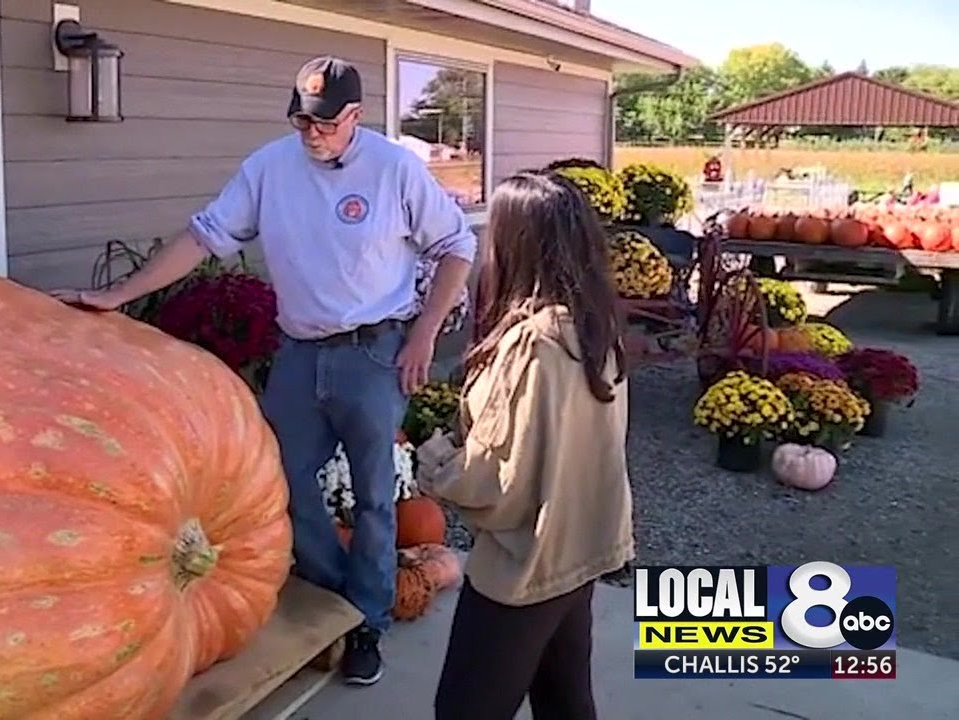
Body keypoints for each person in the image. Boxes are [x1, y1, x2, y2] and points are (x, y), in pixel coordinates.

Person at [49, 55, 477, 685]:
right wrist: (122, 294)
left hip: (373, 351)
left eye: (326, 122)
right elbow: (203, 237)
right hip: (300, 354)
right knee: (279, 483)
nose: (312, 132)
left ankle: (367, 625)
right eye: (302, 119)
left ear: (355, 116)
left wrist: (423, 335)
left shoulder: (394, 170)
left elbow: (457, 247)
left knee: (376, 499)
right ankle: (339, 596)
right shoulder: (270, 168)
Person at [416, 169, 633, 719]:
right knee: (564, 700)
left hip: (525, 566)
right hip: (582, 549)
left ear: (517, 245)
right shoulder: (593, 325)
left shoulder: (530, 345)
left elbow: (496, 481)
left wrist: (436, 463)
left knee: (464, 710)